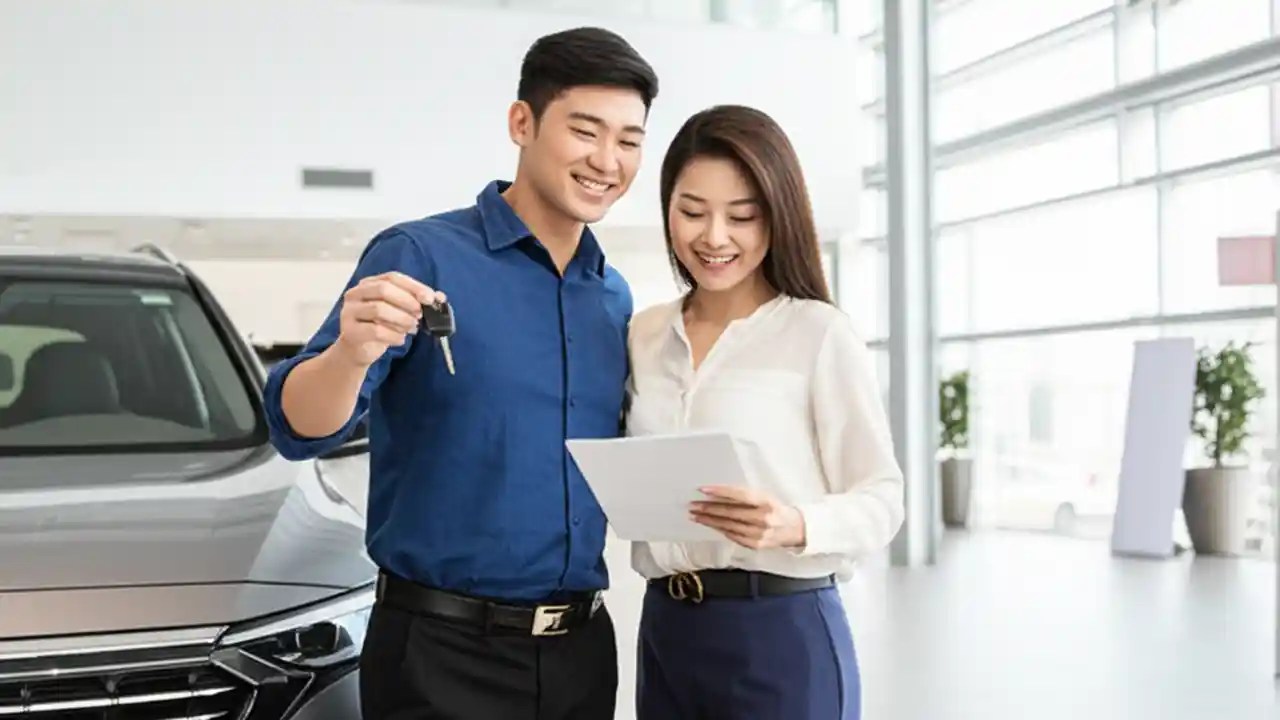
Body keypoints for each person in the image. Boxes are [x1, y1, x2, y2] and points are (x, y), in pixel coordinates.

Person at [261, 27, 658, 720]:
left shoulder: (613, 295)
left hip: (581, 653)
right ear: (522, 123)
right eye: (585, 130)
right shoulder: (420, 255)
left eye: (629, 140)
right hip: (439, 657)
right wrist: (348, 353)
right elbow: (300, 429)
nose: (607, 160)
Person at [624, 105, 905, 720]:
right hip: (668, 629)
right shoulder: (643, 334)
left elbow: (883, 498)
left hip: (781, 631)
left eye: (742, 216)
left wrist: (796, 522)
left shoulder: (818, 333)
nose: (714, 237)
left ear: (777, 217)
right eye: (692, 212)